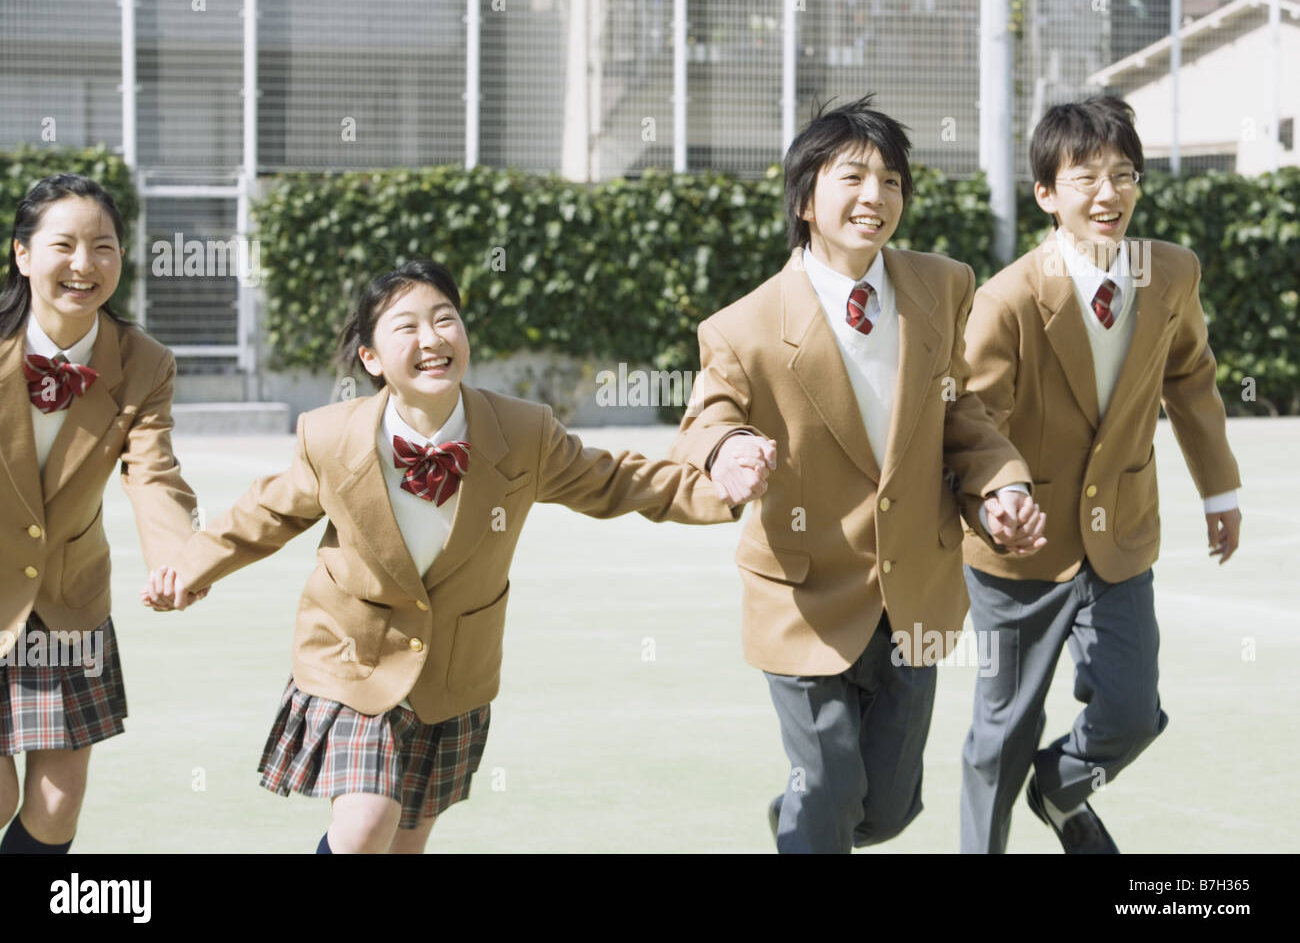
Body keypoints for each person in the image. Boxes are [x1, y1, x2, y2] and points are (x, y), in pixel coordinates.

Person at [141, 259, 772, 854]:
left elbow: (615, 480)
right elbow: (267, 513)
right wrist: (189, 568)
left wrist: (720, 487)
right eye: (406, 327)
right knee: (365, 826)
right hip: (351, 657)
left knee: (403, 843)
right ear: (370, 357)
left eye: (445, 318)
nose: (432, 338)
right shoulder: (330, 436)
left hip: (454, 671)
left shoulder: (522, 432)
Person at [671, 95, 1045, 854]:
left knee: (888, 810)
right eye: (853, 177)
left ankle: (798, 820)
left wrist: (1003, 486)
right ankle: (810, 818)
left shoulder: (943, 287)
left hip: (915, 592)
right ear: (805, 200)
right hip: (803, 595)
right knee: (832, 788)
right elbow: (704, 421)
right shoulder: (742, 327)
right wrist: (729, 449)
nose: (876, 196)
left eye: (892, 181)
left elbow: (961, 414)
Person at [959, 95, 1243, 854]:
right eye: (1085, 178)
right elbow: (974, 420)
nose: (1108, 194)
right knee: (1002, 734)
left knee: (1131, 712)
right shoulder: (1007, 300)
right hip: (1020, 549)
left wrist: (1219, 490)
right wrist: (997, 500)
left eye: (1124, 175)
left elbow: (1191, 380)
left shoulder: (1172, 273)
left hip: (1122, 532)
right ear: (1046, 195)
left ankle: (1059, 788)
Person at [0, 173, 199, 854]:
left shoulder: (145, 362)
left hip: (67, 597)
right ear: (23, 253)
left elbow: (153, 472)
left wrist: (176, 559)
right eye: (63, 245)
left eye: (103, 246)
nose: (84, 264)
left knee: (56, 807)